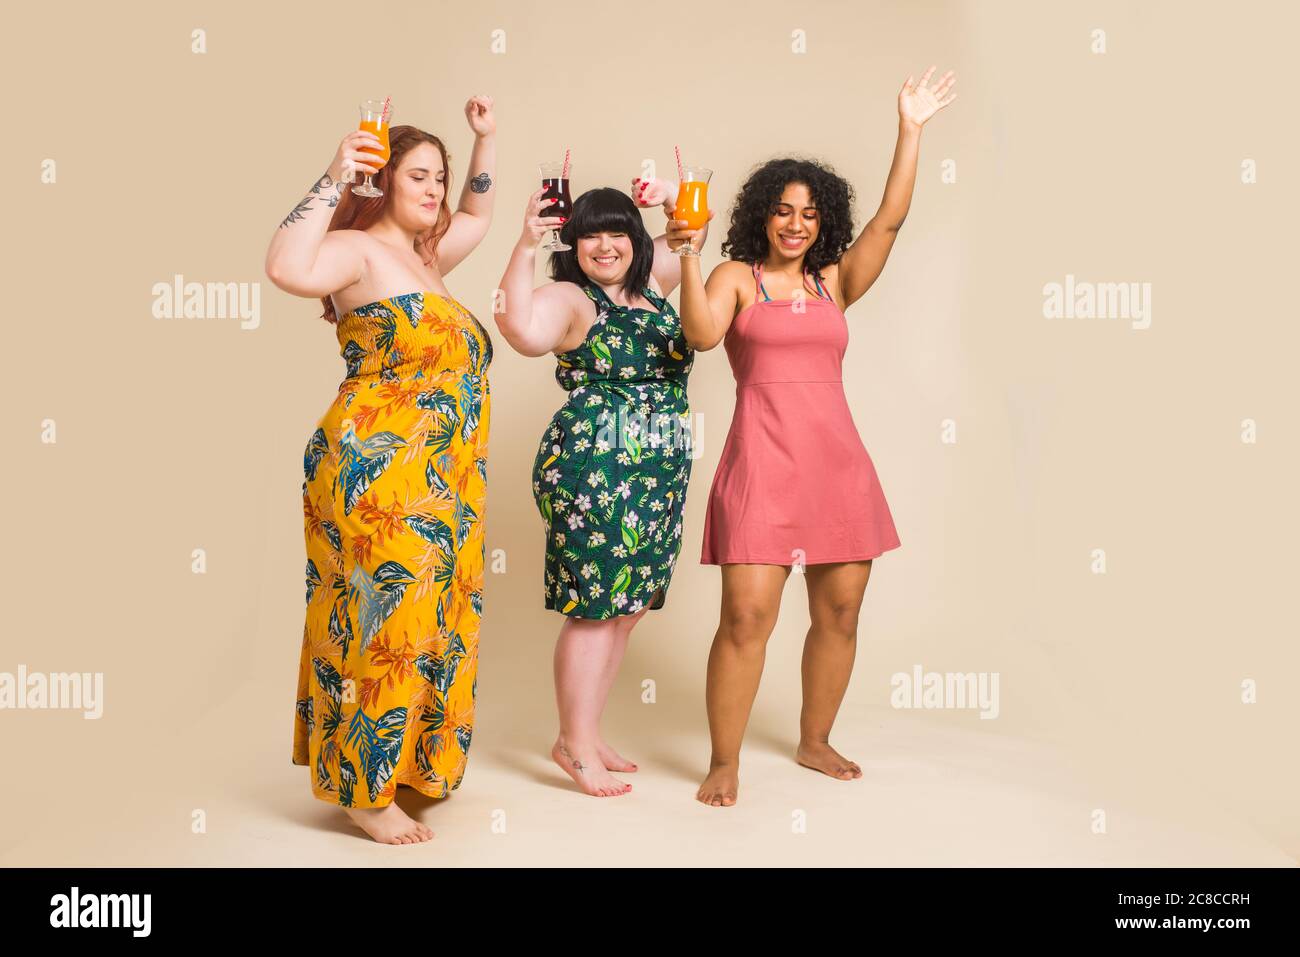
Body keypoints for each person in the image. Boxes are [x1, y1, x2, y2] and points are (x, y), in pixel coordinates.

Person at [676, 67, 956, 806]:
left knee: (839, 611)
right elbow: (701, 335)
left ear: (821, 220)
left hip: (838, 469)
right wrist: (686, 253)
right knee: (745, 617)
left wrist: (910, 129)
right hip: (762, 466)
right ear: (762, 218)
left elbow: (890, 220)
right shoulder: (738, 276)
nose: (795, 223)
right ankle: (724, 759)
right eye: (781, 211)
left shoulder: (834, 282)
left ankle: (813, 738)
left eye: (807, 213)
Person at [266, 96, 497, 843]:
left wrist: (483, 142)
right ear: (383, 179)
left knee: (435, 616)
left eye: (441, 176)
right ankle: (363, 791)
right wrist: (338, 172)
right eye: (418, 175)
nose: (434, 189)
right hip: (377, 467)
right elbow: (284, 265)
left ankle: (403, 764)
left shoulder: (425, 259)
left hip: (445, 479)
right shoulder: (359, 252)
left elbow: (479, 218)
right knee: (385, 617)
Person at [492, 175, 710, 796]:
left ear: (637, 240)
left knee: (628, 606)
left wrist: (672, 193)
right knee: (595, 611)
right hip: (597, 470)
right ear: (574, 244)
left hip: (659, 469)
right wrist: (526, 243)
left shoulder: (653, 286)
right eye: (591, 235)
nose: (605, 245)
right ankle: (577, 746)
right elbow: (520, 330)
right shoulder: (570, 298)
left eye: (618, 231)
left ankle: (579, 732)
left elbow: (693, 228)